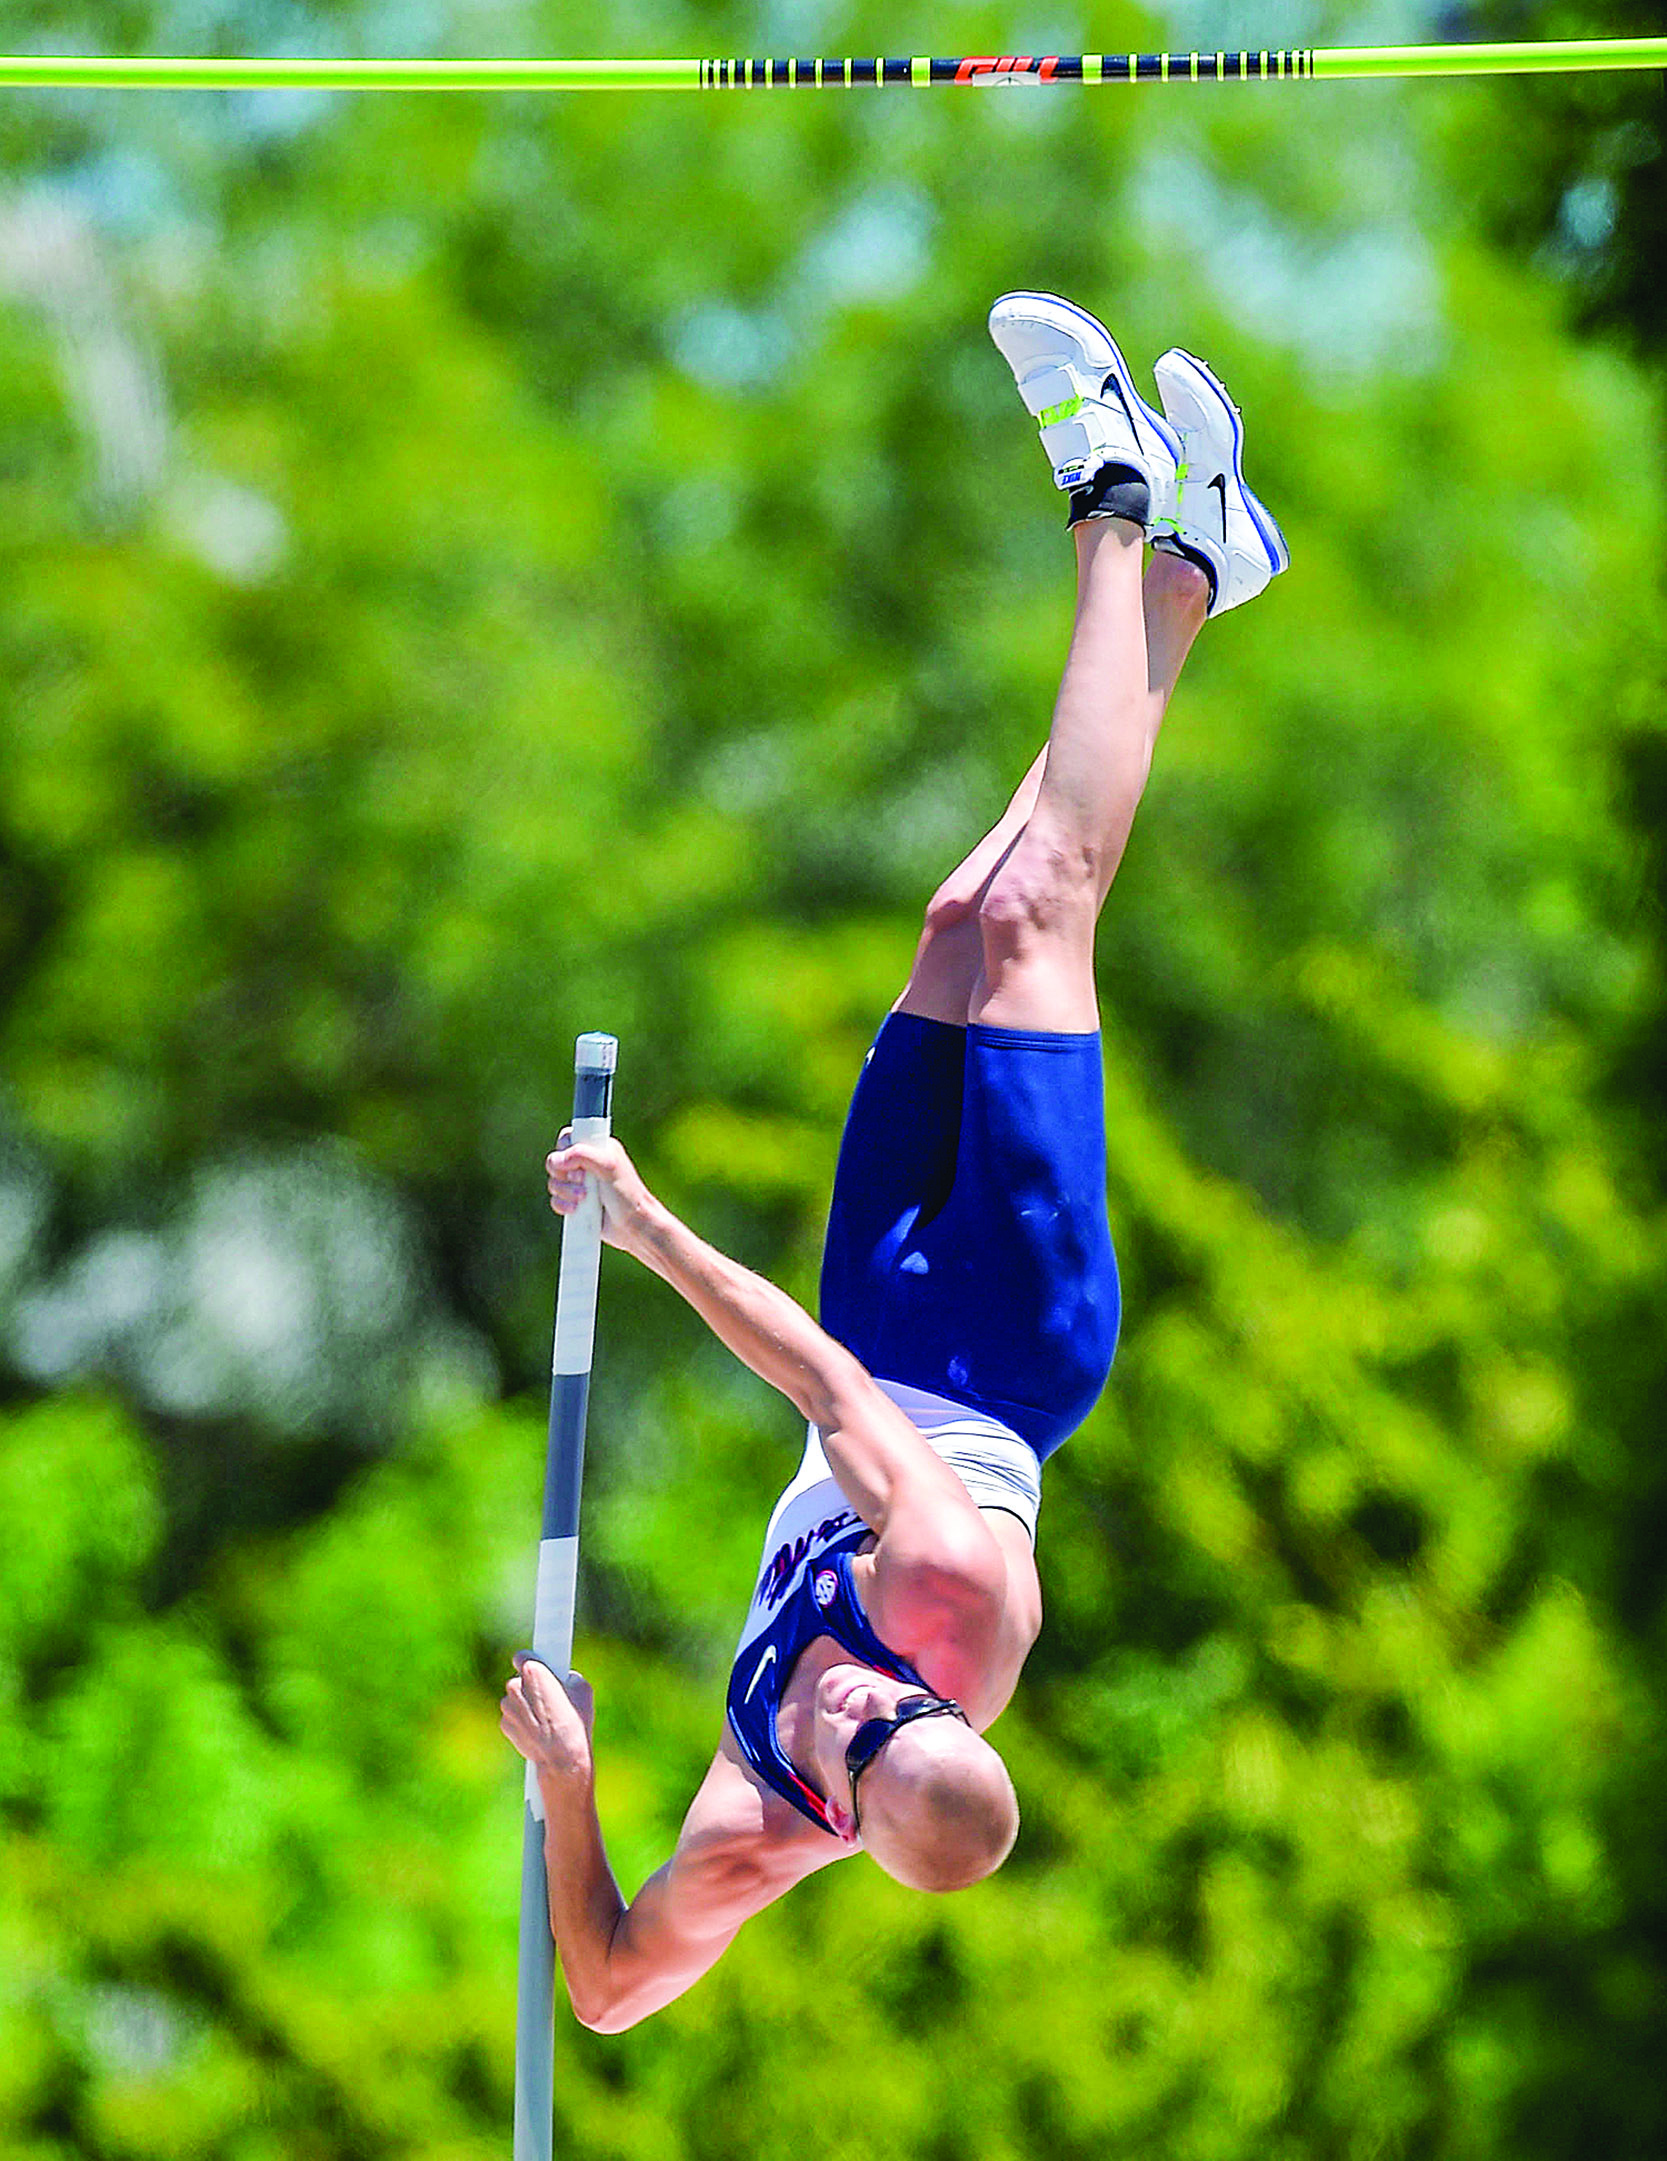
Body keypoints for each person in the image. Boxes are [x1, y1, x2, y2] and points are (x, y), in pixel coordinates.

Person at [499, 292, 1288, 2032]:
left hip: (876, 1321)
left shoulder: (764, 1817)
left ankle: (1193, 572)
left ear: (841, 1809)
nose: (862, 1696)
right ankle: (1111, 505)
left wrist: (571, 1793)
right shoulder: (947, 1599)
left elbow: (617, 1990)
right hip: (1004, 1339)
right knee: (1037, 910)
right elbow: (818, 1380)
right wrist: (639, 1226)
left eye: (858, 1733)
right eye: (902, 1707)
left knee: (958, 916)